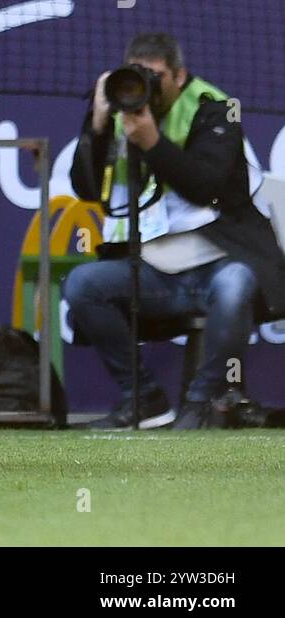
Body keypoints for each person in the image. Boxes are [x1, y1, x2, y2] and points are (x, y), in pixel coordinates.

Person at [64, 33, 285, 429]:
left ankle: (200, 406)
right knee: (83, 284)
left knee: (236, 285)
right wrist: (96, 126)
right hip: (152, 269)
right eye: (137, 73)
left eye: (156, 76)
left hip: (219, 262)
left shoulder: (217, 109)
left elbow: (206, 187)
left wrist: (151, 141)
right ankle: (143, 400)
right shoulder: (119, 104)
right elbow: (86, 188)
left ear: (180, 76)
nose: (144, 85)